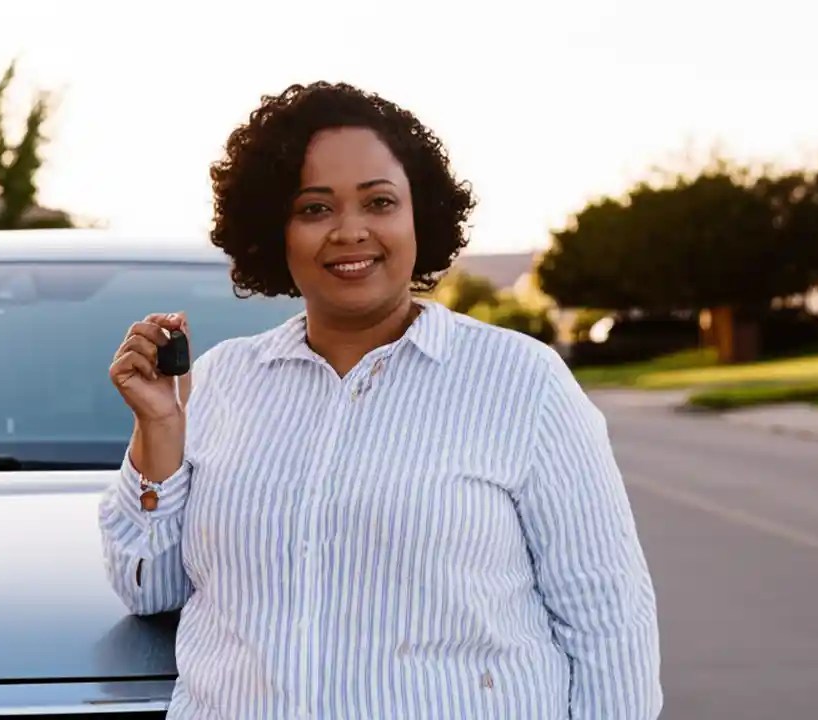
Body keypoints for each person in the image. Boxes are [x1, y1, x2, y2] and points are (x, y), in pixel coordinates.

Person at [100, 81, 662, 719]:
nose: (350, 231)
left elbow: (608, 624)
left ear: (419, 215)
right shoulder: (224, 381)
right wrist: (160, 429)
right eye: (314, 208)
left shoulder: (523, 382)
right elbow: (146, 587)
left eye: (380, 202)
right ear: (273, 229)